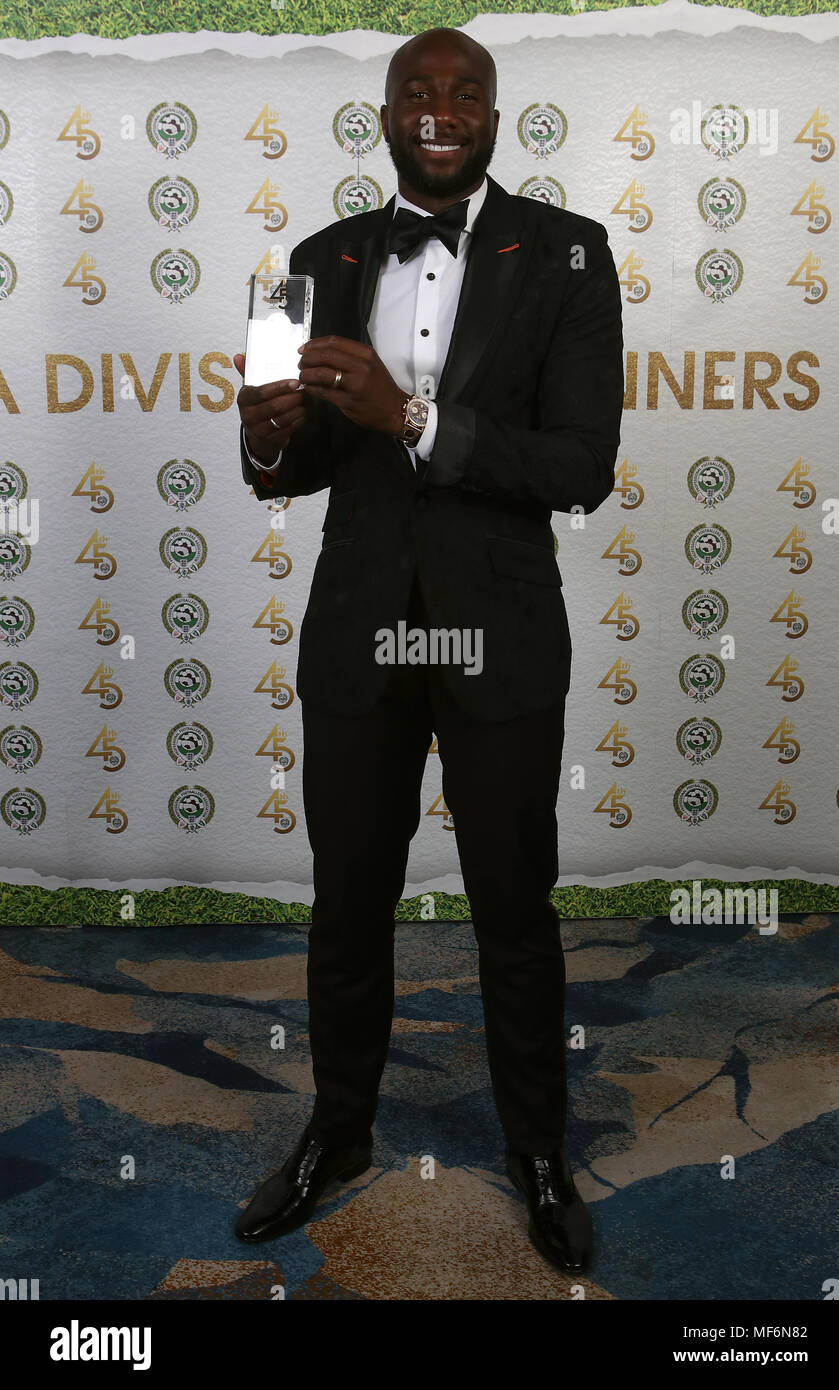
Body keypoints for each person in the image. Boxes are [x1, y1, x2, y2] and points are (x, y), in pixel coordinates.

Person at [232, 25, 623, 1275]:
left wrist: (410, 415)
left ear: (496, 117)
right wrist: (264, 432)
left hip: (499, 633)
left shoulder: (568, 251)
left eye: (465, 93)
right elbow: (275, 479)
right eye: (417, 92)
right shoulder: (314, 262)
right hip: (362, 633)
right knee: (349, 902)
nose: (440, 109)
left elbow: (580, 467)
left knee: (515, 910)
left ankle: (540, 1156)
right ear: (385, 114)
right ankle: (337, 1135)